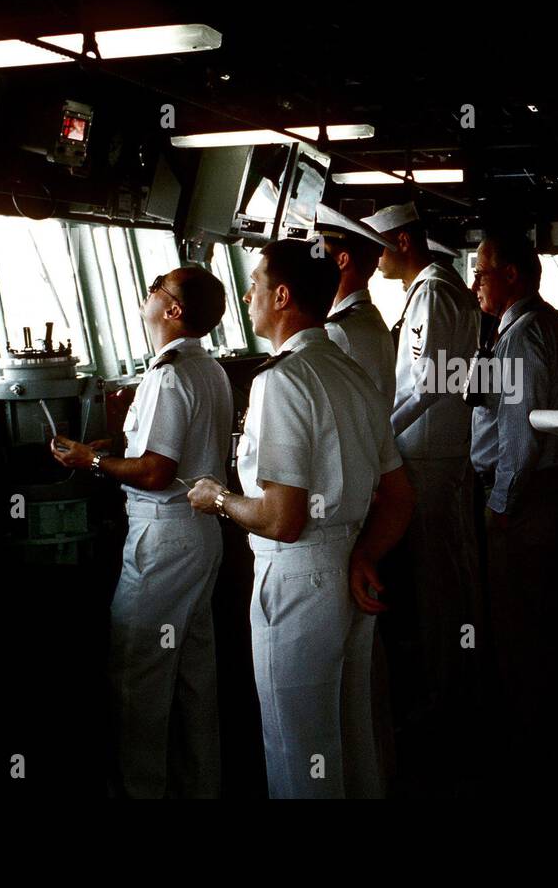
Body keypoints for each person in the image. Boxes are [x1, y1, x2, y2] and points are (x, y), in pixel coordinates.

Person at [187, 240, 415, 799]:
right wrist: (362, 555)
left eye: (256, 285)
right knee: (350, 740)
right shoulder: (351, 371)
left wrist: (217, 499)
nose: (247, 295)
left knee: (298, 753)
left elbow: (281, 518)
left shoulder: (280, 381)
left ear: (282, 296)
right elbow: (400, 496)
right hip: (347, 574)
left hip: (297, 581)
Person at [50, 266, 233, 798]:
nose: (148, 293)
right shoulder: (208, 369)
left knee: (138, 679)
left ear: (173, 310)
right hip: (202, 535)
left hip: (163, 540)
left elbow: (155, 470)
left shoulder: (169, 374)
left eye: (157, 287)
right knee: (195, 677)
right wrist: (115, 443)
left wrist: (92, 461)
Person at [469, 228, 558, 792]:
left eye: (483, 272)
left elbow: (520, 433)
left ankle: (529, 749)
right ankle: (548, 733)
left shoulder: (520, 338)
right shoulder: (555, 325)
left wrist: (500, 504)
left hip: (529, 496)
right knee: (547, 617)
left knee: (521, 626)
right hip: (557, 487)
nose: (476, 283)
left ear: (512, 274)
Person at [362, 202, 481, 718]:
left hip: (427, 450)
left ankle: (446, 688)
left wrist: (377, 438)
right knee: (446, 569)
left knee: (437, 575)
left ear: (404, 243)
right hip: (437, 446)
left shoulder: (433, 293)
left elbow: (429, 383)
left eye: (380, 248)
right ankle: (452, 675)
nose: (377, 259)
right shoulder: (440, 289)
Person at [317, 203, 398, 404]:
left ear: (342, 260)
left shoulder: (338, 331)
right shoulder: (368, 318)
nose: (314, 260)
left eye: (321, 251)